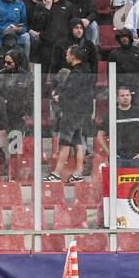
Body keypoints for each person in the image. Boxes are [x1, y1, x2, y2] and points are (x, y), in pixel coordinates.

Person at [45, 44, 94, 182]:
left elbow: (71, 93)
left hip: (71, 113)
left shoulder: (76, 73)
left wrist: (59, 97)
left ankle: (56, 173)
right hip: (80, 113)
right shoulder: (86, 71)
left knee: (65, 143)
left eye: (67, 54)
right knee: (77, 142)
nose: (66, 56)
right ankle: (78, 173)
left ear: (73, 56)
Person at [97, 85, 139, 168]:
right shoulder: (111, 114)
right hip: (117, 159)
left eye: (127, 95)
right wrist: (109, 153)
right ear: (117, 98)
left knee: (136, 181)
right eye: (122, 96)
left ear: (131, 97)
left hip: (136, 158)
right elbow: (100, 135)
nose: (125, 97)